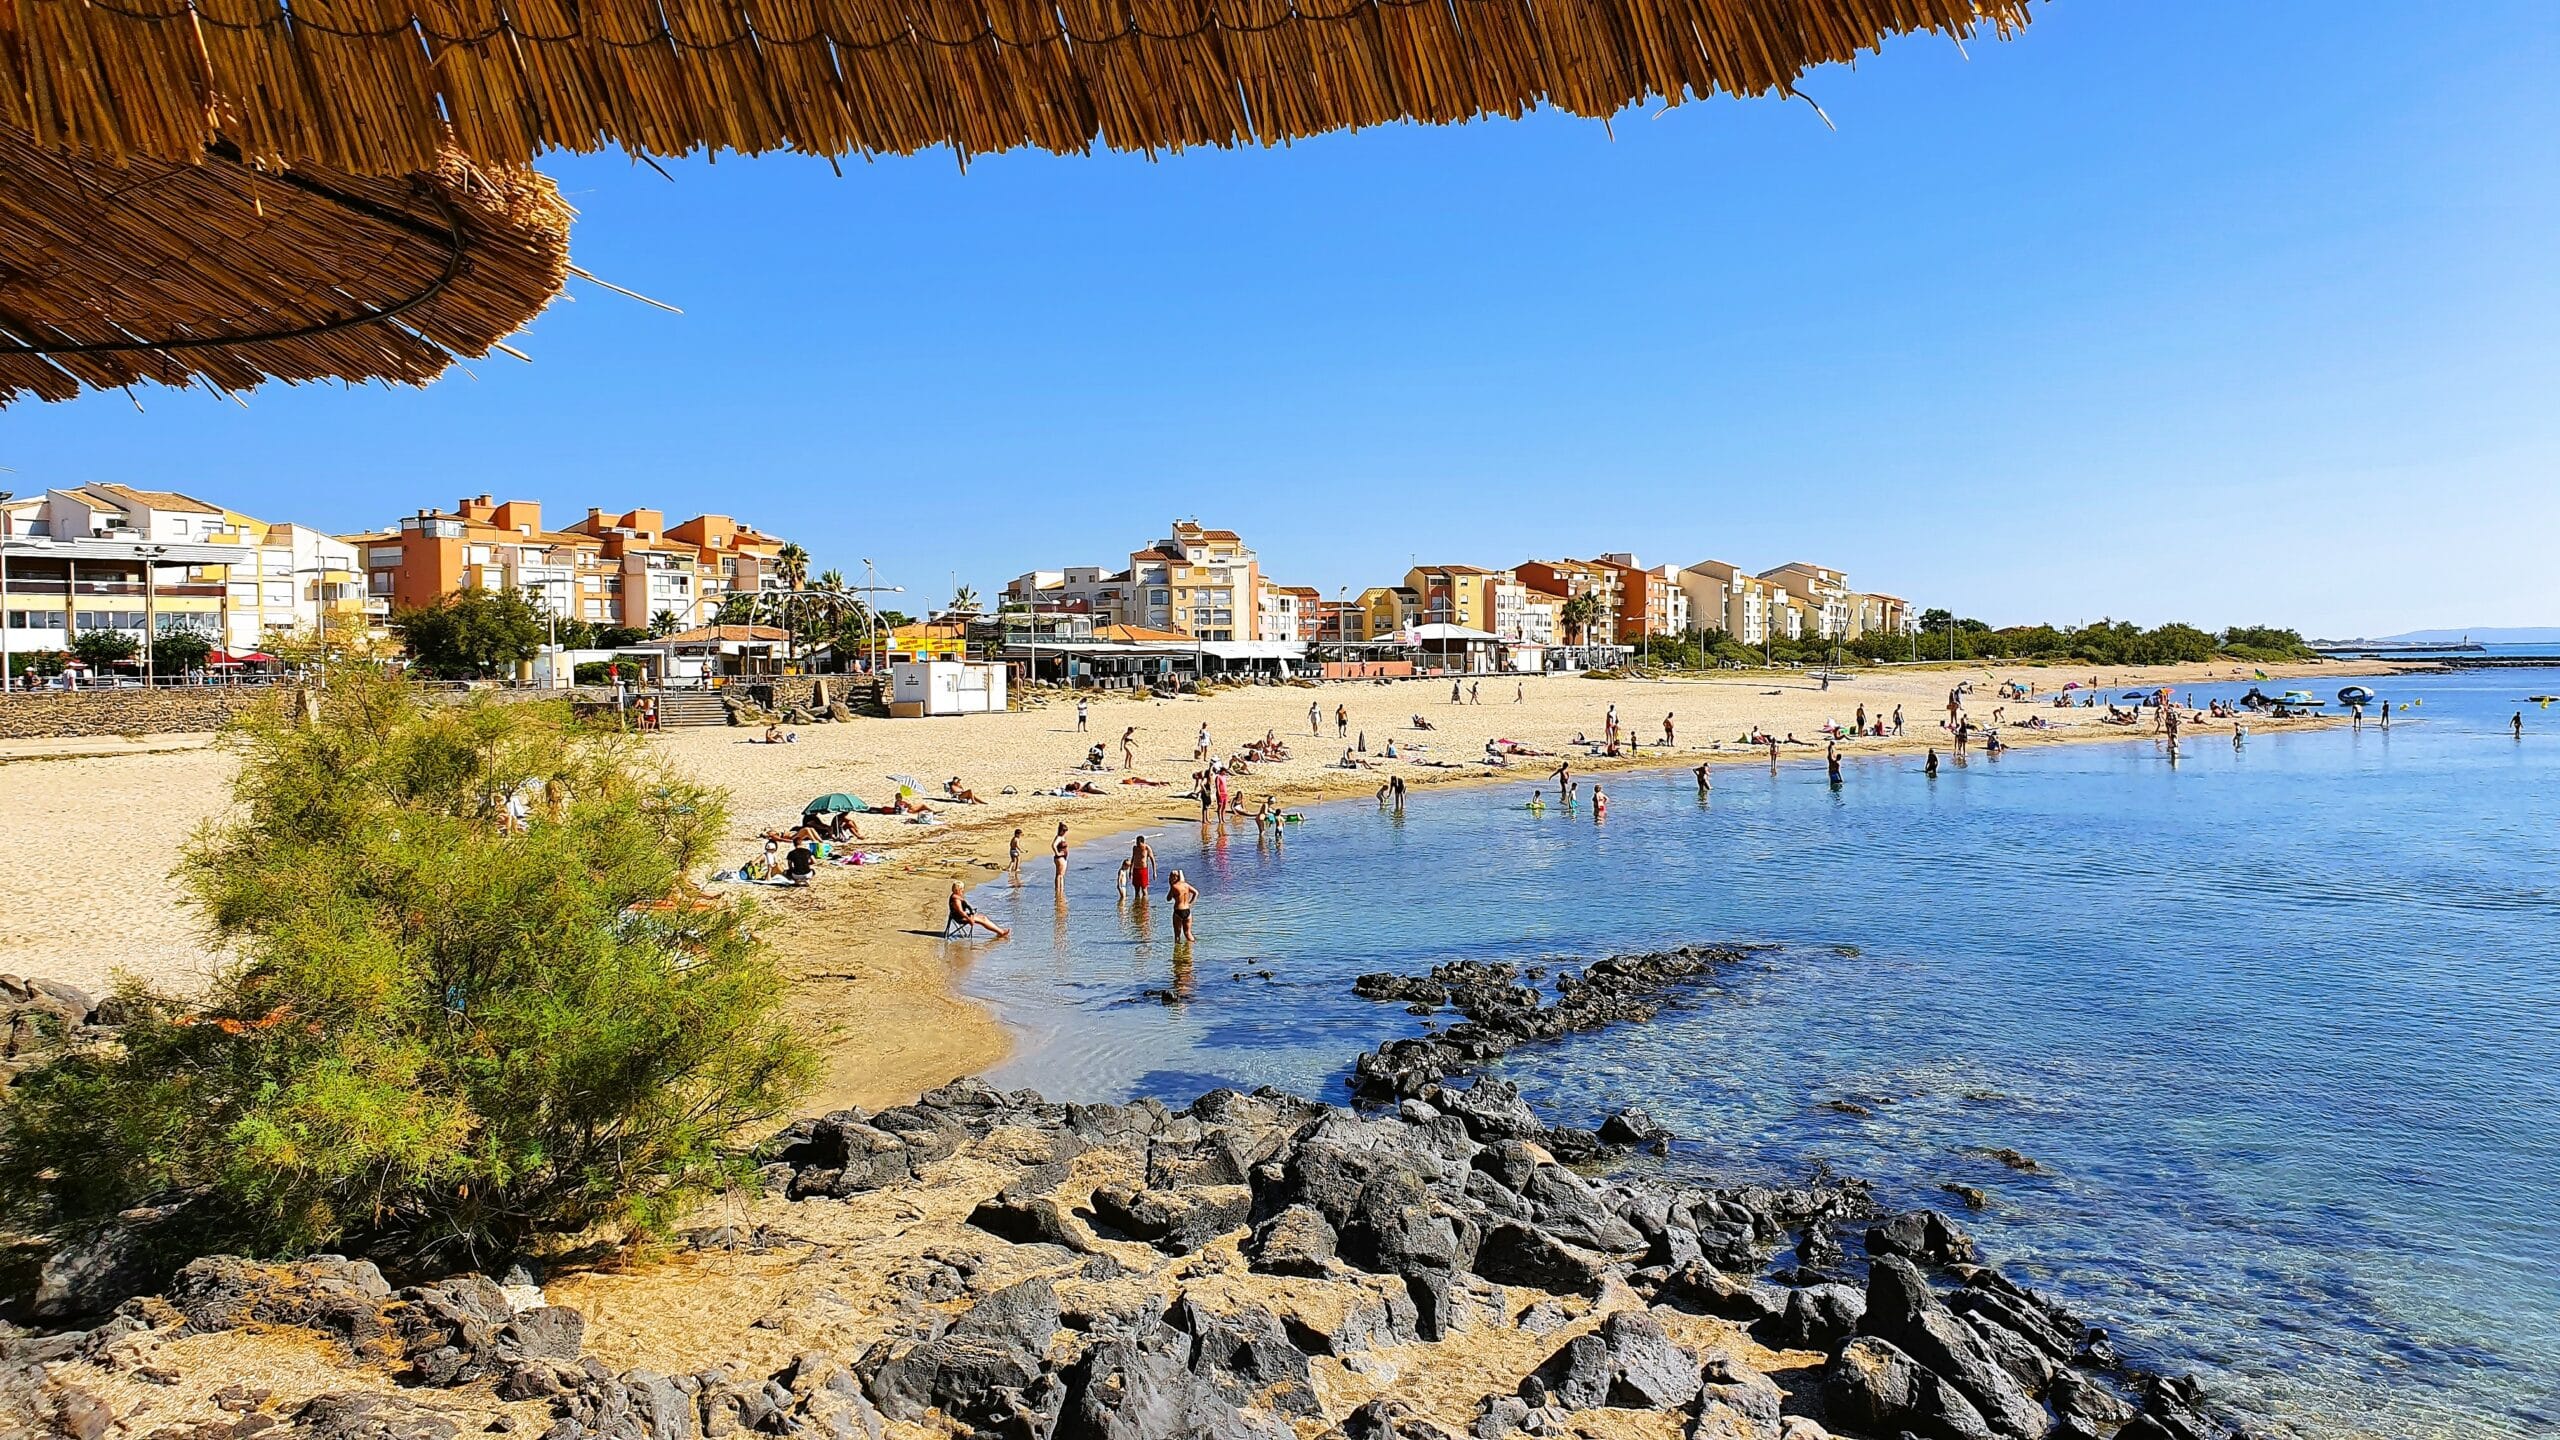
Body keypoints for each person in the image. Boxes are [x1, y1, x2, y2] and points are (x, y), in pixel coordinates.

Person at [1167, 870, 1199, 942]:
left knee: (1177, 936)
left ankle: (1177, 953)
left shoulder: (1174, 887)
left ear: (1175, 877)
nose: (1169, 878)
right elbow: (1196, 893)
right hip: (1187, 910)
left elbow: (1168, 898)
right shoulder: (1186, 885)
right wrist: (1191, 903)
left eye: (1171, 876)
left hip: (1178, 911)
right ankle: (1193, 949)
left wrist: (1170, 886)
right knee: (1188, 933)